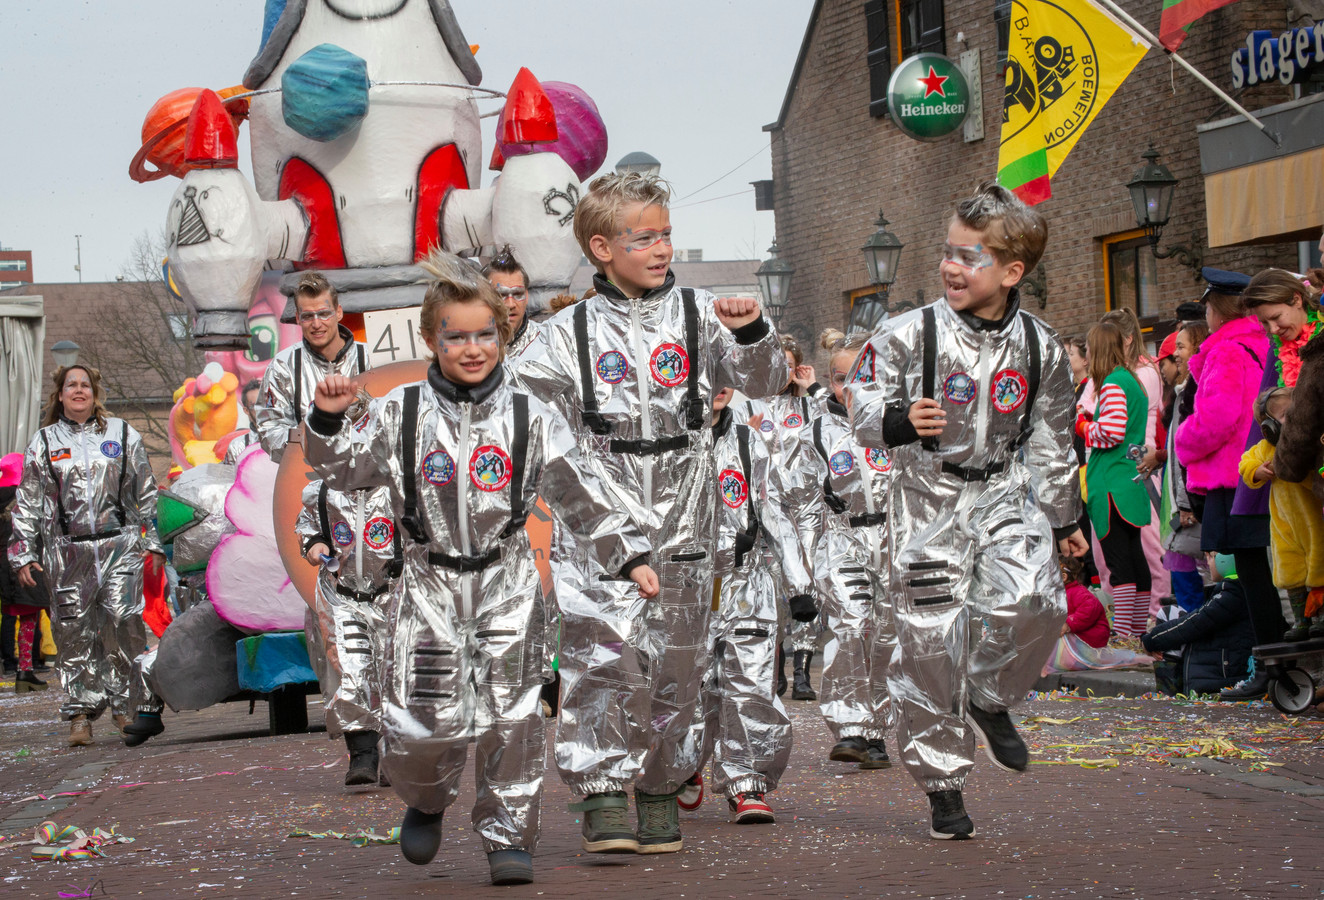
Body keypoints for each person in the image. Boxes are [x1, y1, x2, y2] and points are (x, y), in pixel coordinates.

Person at [305, 250, 658, 885]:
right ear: (431, 338)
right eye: (456, 336)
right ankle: (427, 796)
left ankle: (506, 835)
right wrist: (328, 419)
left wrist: (627, 554)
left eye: (484, 334)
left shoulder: (531, 415)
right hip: (427, 584)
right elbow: (343, 471)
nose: (472, 348)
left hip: (509, 582)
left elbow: (580, 491)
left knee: (513, 716)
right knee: (423, 721)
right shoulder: (401, 412)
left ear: (502, 335)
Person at [514, 172, 788, 855]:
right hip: (600, 521)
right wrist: (593, 522)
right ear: (602, 248)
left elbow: (766, 382)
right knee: (601, 655)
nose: (662, 247)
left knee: (677, 663)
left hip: (689, 520)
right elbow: (532, 432)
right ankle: (604, 790)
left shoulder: (701, 316)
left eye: (667, 234)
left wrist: (752, 333)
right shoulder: (562, 334)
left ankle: (661, 785)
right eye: (645, 237)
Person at [846, 182, 1085, 840]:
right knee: (929, 643)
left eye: (971, 257)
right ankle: (944, 781)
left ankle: (988, 693)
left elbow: (1052, 437)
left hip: (1005, 490)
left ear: (1011, 272)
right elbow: (860, 401)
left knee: (1035, 602)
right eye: (949, 252)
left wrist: (1064, 520)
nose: (953, 266)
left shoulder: (1039, 347)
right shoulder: (907, 334)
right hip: (929, 497)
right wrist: (897, 420)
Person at [9, 364, 165, 746]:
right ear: (60, 395)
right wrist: (23, 552)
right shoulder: (43, 442)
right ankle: (80, 714)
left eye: (85, 385)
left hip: (120, 544)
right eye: (71, 385)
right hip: (68, 551)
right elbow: (27, 502)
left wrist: (155, 540)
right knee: (74, 631)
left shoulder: (122, 434)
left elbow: (147, 491)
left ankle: (125, 706)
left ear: (95, 393)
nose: (79, 391)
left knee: (123, 620)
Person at [683, 387, 815, 824]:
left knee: (751, 684)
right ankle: (682, 765)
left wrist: (799, 584)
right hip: (686, 584)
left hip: (747, 580)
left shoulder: (749, 441)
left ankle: (747, 783)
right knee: (690, 684)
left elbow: (773, 509)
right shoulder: (666, 438)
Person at [1174, 269, 1276, 700]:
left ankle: (1268, 661)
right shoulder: (1258, 342)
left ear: (1218, 309)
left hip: (1233, 476)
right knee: (1258, 567)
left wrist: (1182, 440)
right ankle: (1269, 658)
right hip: (1252, 468)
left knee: (1250, 571)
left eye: (1208, 307)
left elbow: (1217, 417)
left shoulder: (1227, 351)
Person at [807, 329, 895, 770]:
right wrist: (803, 568)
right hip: (843, 541)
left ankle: (878, 728)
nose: (851, 389)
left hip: (895, 542)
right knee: (851, 625)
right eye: (842, 379)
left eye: (861, 377)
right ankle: (852, 728)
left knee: (884, 636)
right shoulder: (815, 431)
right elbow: (798, 503)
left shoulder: (897, 423)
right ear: (830, 379)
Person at [297, 476, 400, 785]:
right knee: (353, 670)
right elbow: (309, 528)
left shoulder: (400, 485)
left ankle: (395, 755)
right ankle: (362, 753)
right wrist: (316, 546)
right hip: (341, 595)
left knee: (394, 673)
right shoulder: (322, 492)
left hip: (393, 592)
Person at [744, 333, 824, 702]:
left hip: (806, 508)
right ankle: (776, 668)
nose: (783, 372)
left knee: (806, 586)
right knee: (775, 590)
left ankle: (803, 671)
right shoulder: (750, 406)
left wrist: (812, 390)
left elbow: (840, 427)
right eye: (778, 364)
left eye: (790, 366)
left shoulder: (808, 406)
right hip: (765, 512)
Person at [1077, 322, 1151, 639]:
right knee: (1136, 559)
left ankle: (1123, 633)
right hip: (1130, 479)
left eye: (1090, 349)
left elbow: (1111, 433)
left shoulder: (1111, 384)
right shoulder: (1132, 381)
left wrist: (1082, 427)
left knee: (1119, 562)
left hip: (1111, 483)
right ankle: (1135, 632)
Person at [256, 272, 370, 462]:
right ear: (298, 318)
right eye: (308, 316)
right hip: (308, 480)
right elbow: (269, 431)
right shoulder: (283, 365)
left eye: (324, 314)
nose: (317, 324)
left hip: (368, 480)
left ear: (339, 312)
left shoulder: (370, 357)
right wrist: (311, 440)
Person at [1239, 387, 1324, 641]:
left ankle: (1320, 616)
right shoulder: (1265, 448)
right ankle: (1300, 620)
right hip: (1283, 525)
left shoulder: (1307, 444)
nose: (1293, 420)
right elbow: (1245, 463)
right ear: (1269, 426)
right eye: (1286, 416)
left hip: (1312, 520)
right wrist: (1258, 471)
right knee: (1290, 570)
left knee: (1319, 565)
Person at [1141, 554, 1254, 695]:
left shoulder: (1233, 593)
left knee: (1170, 617)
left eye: (1211, 557)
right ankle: (1168, 691)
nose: (1207, 562)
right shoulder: (1239, 588)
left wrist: (1152, 640)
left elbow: (1194, 623)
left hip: (1222, 680)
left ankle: (1169, 692)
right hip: (1223, 672)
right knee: (1170, 613)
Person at [1159, 323, 1208, 614]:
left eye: (1181, 347)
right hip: (1182, 499)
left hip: (1192, 497)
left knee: (1197, 568)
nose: (1176, 354)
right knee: (1181, 561)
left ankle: (1200, 641)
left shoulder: (1196, 392)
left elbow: (1188, 454)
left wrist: (1185, 501)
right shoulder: (1181, 393)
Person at [0, 453, 48, 692]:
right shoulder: (26, 500)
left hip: (6, 570)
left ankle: (24, 671)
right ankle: (78, 669)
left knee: (23, 618)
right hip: (31, 566)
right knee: (59, 615)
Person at [483, 245, 539, 358]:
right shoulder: (470, 346)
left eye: (517, 294)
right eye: (501, 295)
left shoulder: (545, 342)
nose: (510, 304)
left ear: (526, 296)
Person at [223, 379, 263, 465]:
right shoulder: (236, 446)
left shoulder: (286, 440)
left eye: (265, 403)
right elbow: (229, 477)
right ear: (246, 410)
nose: (262, 409)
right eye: (255, 405)